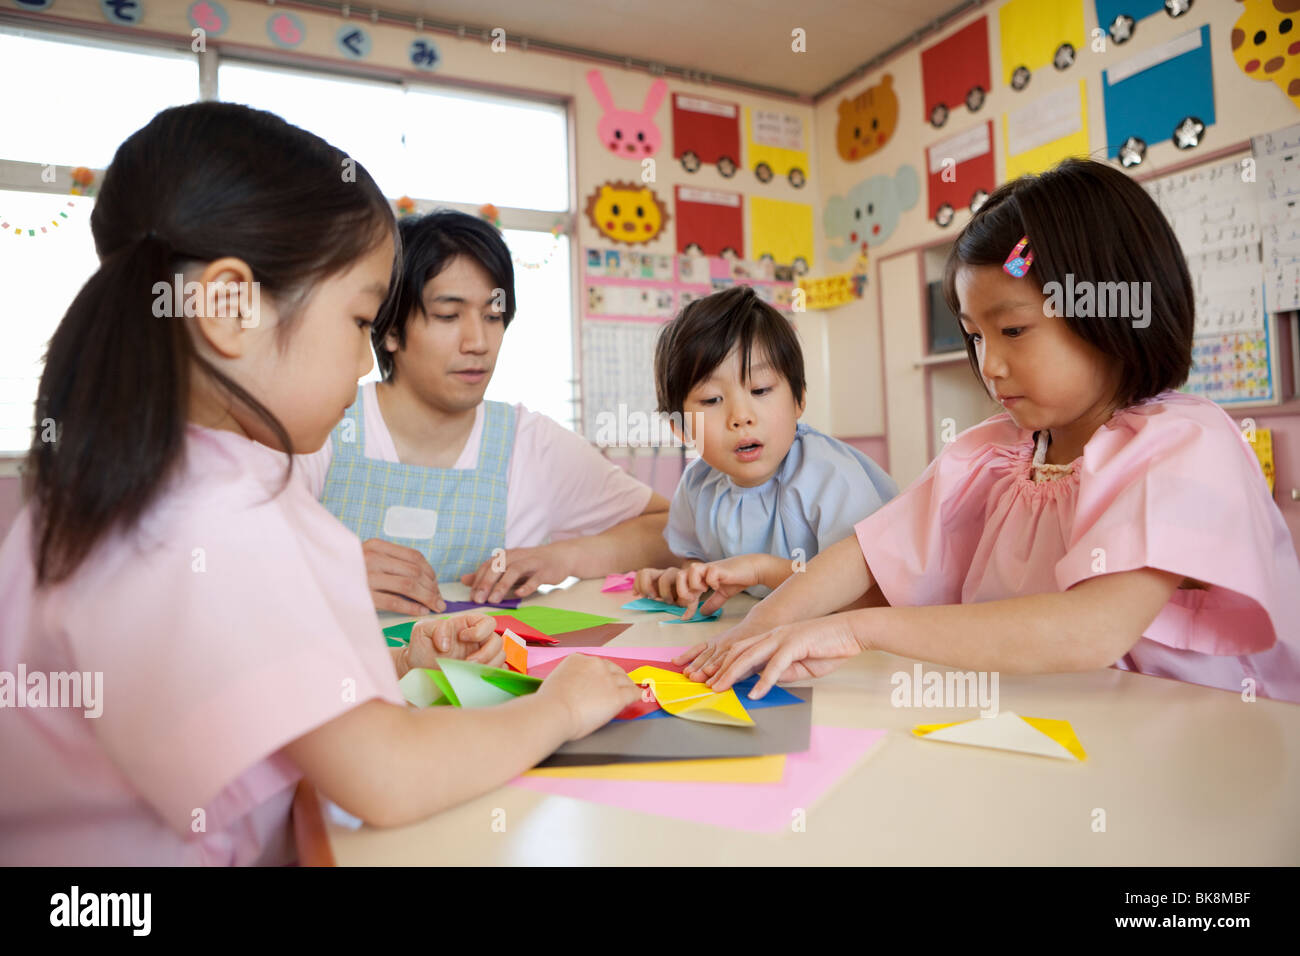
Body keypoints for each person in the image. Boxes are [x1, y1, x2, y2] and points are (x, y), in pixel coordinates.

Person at [0, 103, 639, 865]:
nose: (368, 364)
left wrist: (396, 658)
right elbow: (388, 776)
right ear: (230, 309)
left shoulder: (128, 484)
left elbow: (234, 670)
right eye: (358, 322)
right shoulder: (221, 512)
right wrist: (561, 707)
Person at [678, 158, 1300, 704]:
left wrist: (856, 630)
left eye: (1014, 330)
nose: (989, 365)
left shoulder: (1181, 446)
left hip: (1204, 742)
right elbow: (861, 557)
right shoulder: (990, 450)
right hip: (1054, 719)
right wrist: (748, 633)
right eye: (975, 336)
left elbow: (1091, 629)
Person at [301, 211, 676, 615]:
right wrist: (329, 570)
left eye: (493, 316)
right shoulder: (321, 427)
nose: (478, 342)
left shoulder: (533, 445)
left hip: (487, 677)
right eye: (448, 315)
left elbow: (671, 531)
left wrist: (563, 558)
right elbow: (228, 556)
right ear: (390, 329)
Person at [633, 285, 897, 619]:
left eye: (760, 390)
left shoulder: (830, 477)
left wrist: (762, 570)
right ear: (680, 427)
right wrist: (688, 579)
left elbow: (872, 594)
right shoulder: (698, 484)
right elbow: (695, 558)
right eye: (712, 399)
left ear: (799, 399)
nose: (741, 416)